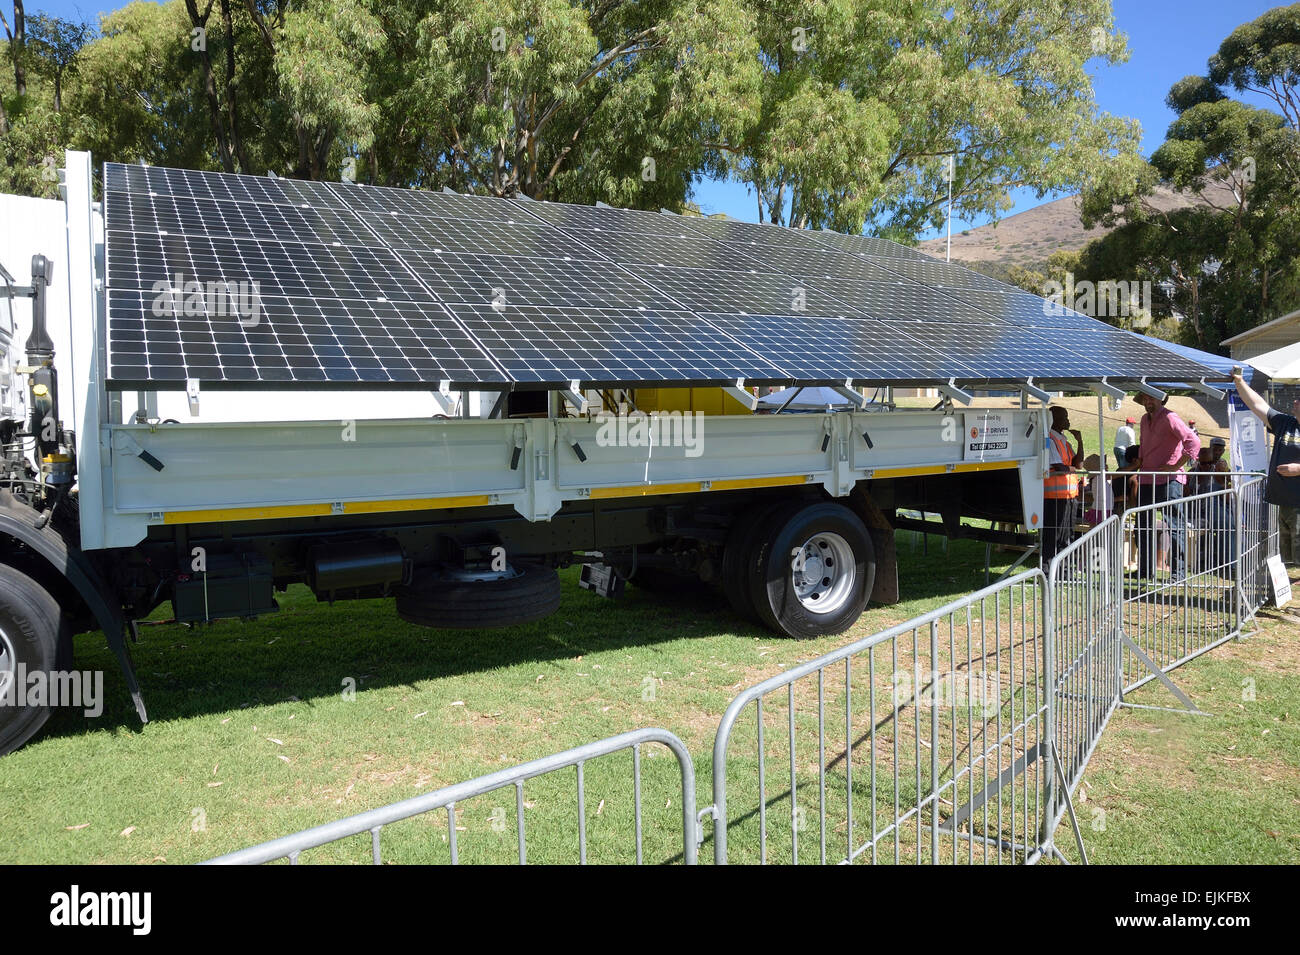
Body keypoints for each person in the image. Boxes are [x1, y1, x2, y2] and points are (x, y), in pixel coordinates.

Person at [1231, 369, 1300, 565]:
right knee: (1289, 555)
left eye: (1299, 401)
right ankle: (1287, 584)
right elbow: (1257, 404)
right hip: (1284, 501)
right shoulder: (1285, 423)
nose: (1294, 402)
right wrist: (1239, 382)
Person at [1135, 394, 1201, 580]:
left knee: (1175, 526)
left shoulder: (1170, 417)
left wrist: (1175, 466)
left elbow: (1193, 441)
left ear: (1161, 400)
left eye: (1152, 399)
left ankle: (1178, 574)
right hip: (1147, 478)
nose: (1148, 402)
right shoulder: (1143, 419)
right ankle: (1145, 571)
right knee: (1142, 527)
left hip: (1170, 480)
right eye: (1145, 399)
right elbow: (1143, 445)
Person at [1043, 406, 1083, 565]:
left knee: (1067, 534)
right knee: (1054, 534)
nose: (1068, 420)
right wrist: (1071, 469)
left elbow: (1078, 464)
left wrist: (1080, 441)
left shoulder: (1063, 440)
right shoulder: (1050, 440)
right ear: (1054, 420)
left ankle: (1064, 569)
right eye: (1064, 417)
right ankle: (1049, 568)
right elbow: (1060, 467)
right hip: (1054, 497)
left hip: (1069, 496)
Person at [1082, 453, 1113, 525]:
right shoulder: (1099, 478)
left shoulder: (1098, 478)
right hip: (1101, 510)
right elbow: (1115, 476)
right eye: (1104, 465)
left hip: (1102, 509)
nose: (1107, 466)